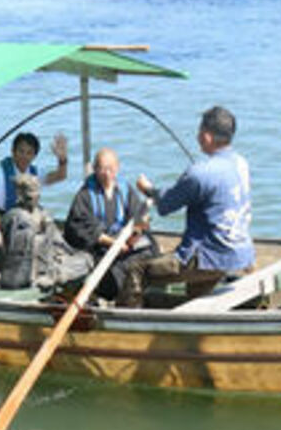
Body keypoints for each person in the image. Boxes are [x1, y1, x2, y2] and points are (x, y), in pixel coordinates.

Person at [136, 106, 254, 287]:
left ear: (206, 136)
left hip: (209, 257)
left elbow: (165, 205)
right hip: (241, 253)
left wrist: (148, 189)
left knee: (137, 270)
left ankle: (129, 307)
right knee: (195, 288)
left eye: (199, 130)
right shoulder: (241, 164)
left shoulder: (199, 172)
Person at [65, 148, 178, 306]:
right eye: (102, 169)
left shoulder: (125, 190)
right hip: (102, 247)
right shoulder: (85, 195)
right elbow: (78, 227)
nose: (106, 174)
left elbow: (138, 218)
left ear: (117, 168)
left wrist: (135, 233)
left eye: (110, 169)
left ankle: (148, 290)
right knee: (115, 271)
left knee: (151, 249)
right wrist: (112, 243)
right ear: (95, 169)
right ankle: (123, 297)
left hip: (126, 242)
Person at [0, 174, 91, 292]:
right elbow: (20, 252)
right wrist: (38, 232)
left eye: (37, 192)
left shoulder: (42, 213)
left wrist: (64, 252)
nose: (34, 197)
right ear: (20, 194)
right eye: (30, 193)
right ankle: (52, 276)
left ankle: (56, 276)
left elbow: (59, 242)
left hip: (49, 264)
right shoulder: (14, 217)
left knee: (86, 259)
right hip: (24, 272)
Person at [0, 131, 69, 222]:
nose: (24, 156)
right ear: (13, 152)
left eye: (29, 153)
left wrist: (62, 160)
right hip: (5, 217)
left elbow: (60, 176)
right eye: (21, 151)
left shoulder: (34, 172)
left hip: (27, 217)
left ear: (34, 156)